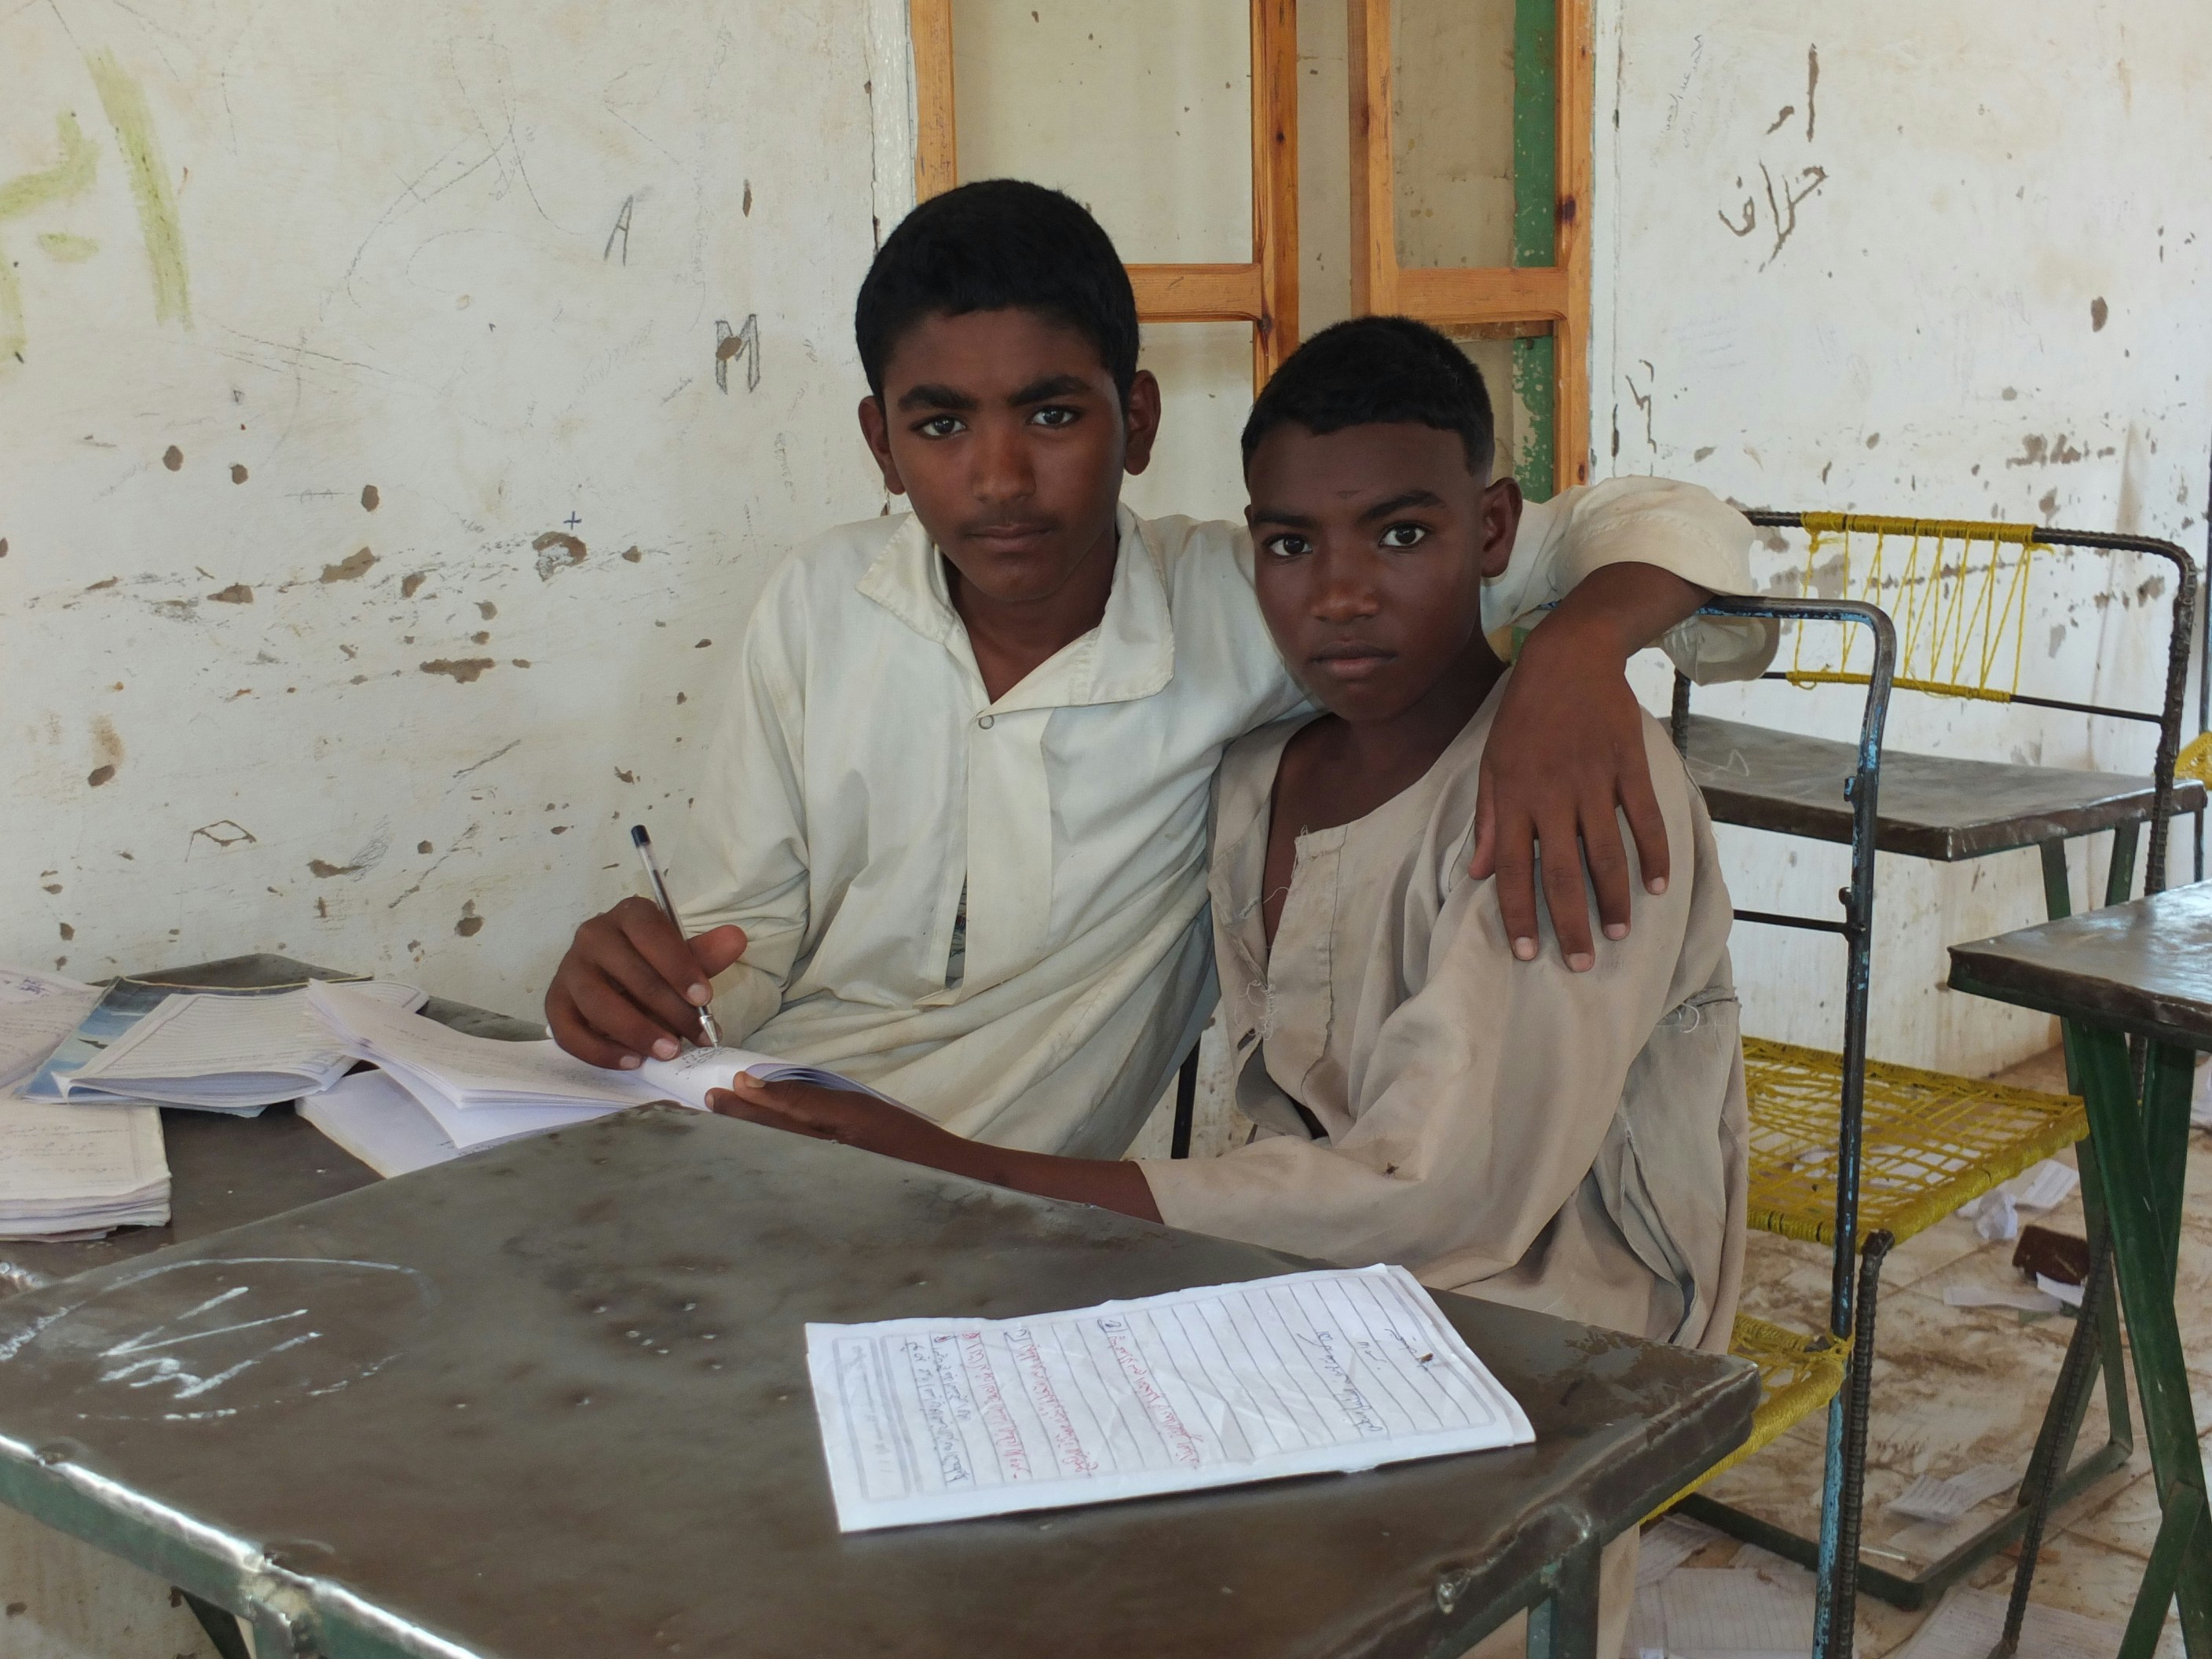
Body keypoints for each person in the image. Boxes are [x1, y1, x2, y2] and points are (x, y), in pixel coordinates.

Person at [709, 316, 1748, 1659]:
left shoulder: (1574, 785)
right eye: (1291, 546)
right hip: (1300, 1283)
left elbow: (1445, 1187)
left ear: (1495, 534)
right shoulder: (1260, 775)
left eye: (1404, 536)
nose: (1342, 595)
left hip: (1552, 1305)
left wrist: (966, 1167)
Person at [547, 180, 1769, 1156]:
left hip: (1003, 1197)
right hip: (757, 1131)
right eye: (939, 426)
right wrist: (654, 987)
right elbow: (740, 939)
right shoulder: (818, 605)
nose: (1000, 478)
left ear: (1138, 421)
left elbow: (1686, 529)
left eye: (1053, 415)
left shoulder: (1272, 598)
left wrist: (1575, 649)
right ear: (881, 443)